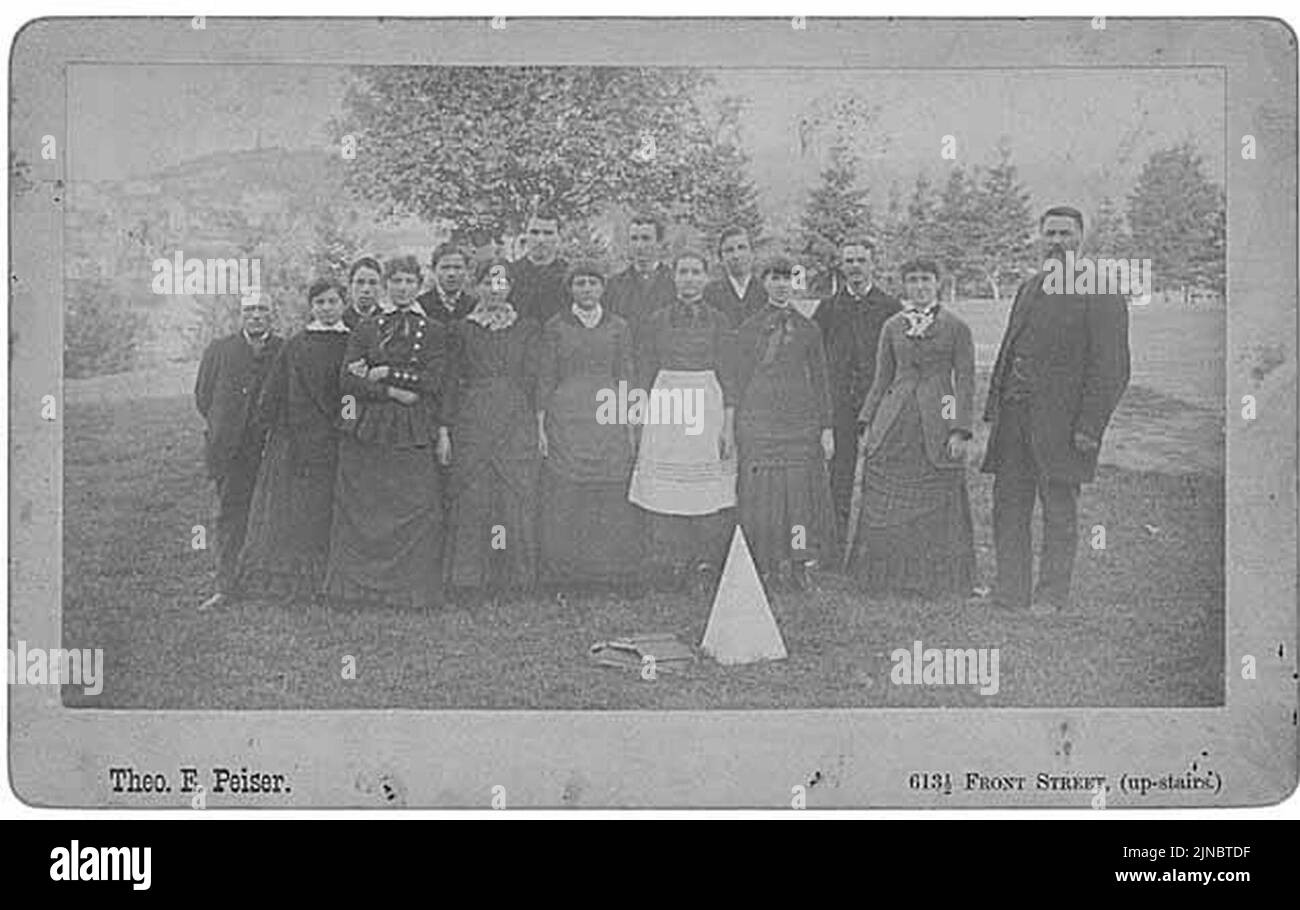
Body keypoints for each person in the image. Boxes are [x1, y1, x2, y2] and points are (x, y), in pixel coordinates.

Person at [982, 206, 1131, 615]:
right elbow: (1010, 349)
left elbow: (1113, 369)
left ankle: (1051, 597)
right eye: (1050, 234)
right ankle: (1010, 592)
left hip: (1064, 428)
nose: (1057, 241)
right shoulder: (1030, 287)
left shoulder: (1101, 292)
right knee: (1008, 505)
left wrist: (1090, 427)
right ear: (1040, 238)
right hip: (1014, 419)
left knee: (1058, 510)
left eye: (1066, 234)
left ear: (1081, 239)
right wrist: (995, 407)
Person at [323, 255, 454, 610]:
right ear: (387, 285)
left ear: (419, 285)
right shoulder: (367, 328)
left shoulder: (436, 330)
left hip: (413, 426)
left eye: (409, 281)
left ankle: (410, 591)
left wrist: (384, 371)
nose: (402, 288)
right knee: (367, 504)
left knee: (415, 502)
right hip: (370, 425)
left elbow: (436, 379)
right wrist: (391, 390)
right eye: (395, 281)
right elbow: (347, 380)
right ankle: (359, 591)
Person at [849, 259, 976, 599]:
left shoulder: (956, 327)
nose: (920, 286)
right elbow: (881, 379)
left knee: (938, 491)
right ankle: (886, 576)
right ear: (904, 286)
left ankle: (932, 577)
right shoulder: (892, 326)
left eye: (926, 280)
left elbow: (964, 382)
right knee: (886, 493)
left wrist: (959, 429)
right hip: (894, 418)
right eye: (913, 280)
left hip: (937, 415)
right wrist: (867, 423)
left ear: (938, 283)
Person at [629, 250, 737, 592]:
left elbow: (730, 374)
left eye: (696, 272)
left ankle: (702, 565)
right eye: (683, 272)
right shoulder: (657, 320)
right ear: (673, 277)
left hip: (707, 402)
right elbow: (643, 370)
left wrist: (728, 424)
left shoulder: (719, 321)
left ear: (706, 277)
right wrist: (638, 417)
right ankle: (669, 563)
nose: (689, 278)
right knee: (667, 486)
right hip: (667, 401)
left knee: (705, 488)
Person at [238, 278, 351, 604]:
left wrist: (346, 422)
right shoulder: (296, 344)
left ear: (342, 304)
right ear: (311, 306)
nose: (327, 308)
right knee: (294, 513)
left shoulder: (353, 342)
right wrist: (277, 433)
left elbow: (354, 395)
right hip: (295, 440)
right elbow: (273, 394)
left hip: (337, 439)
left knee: (327, 510)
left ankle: (331, 580)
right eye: (320, 302)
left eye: (333, 301)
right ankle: (295, 581)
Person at [536, 260, 644, 594]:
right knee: (568, 494)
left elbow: (627, 372)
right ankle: (566, 576)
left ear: (602, 288)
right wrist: (541, 424)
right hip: (566, 417)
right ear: (570, 288)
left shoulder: (618, 326)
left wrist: (631, 422)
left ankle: (611, 573)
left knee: (609, 492)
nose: (586, 289)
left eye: (592, 283)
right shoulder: (555, 326)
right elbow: (545, 376)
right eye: (580, 283)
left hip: (607, 417)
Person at [733, 255, 837, 591]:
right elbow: (738, 379)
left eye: (786, 278)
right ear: (764, 283)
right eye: (774, 278)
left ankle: (798, 562)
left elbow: (821, 379)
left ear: (795, 282)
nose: (780, 284)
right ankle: (765, 563)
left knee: (798, 500)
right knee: (763, 497)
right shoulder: (749, 327)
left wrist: (826, 427)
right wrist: (737, 423)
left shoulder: (809, 328)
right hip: (760, 420)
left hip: (799, 422)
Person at [446, 260, 541, 604]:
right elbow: (450, 383)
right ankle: (471, 579)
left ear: (510, 288)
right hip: (472, 420)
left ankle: (511, 578)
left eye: (501, 283)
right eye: (487, 282)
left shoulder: (527, 328)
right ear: (477, 287)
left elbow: (535, 380)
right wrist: (446, 428)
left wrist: (533, 420)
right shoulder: (462, 330)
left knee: (511, 498)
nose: (494, 289)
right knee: (475, 497)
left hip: (516, 419)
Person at [194, 292, 284, 610]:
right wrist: (226, 426)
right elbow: (204, 396)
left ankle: (265, 579)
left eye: (262, 309)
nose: (256, 315)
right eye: (250, 310)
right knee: (230, 514)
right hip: (230, 449)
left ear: (271, 315)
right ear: (240, 315)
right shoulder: (220, 350)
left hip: (271, 445)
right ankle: (226, 584)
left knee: (270, 513)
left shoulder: (284, 349)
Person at [812, 237, 902, 529]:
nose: (855, 267)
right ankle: (834, 547)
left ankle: (873, 546)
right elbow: (813, 358)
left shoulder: (890, 308)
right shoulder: (827, 309)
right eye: (849, 261)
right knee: (838, 474)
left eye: (861, 260)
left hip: (877, 405)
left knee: (879, 473)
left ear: (872, 264)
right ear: (841, 265)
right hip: (838, 405)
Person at [604, 212, 675, 338]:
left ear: (659, 242)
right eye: (634, 239)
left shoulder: (674, 282)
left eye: (646, 238)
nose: (639, 246)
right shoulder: (613, 285)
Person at [510, 209, 569, 325]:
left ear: (559, 237)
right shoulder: (505, 272)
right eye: (534, 232)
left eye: (548, 233)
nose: (540, 240)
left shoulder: (571, 274)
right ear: (525, 235)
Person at [703, 225, 766, 328]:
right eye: (729, 250)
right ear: (721, 258)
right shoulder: (709, 293)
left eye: (742, 248)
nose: (736, 256)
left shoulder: (766, 291)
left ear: (753, 253)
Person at [416, 242, 477, 327]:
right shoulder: (420, 305)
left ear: (466, 270)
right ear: (434, 270)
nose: (451, 274)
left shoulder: (474, 305)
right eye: (445, 267)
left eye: (457, 267)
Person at [342, 256, 382, 330]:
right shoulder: (340, 321)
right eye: (360, 282)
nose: (366, 289)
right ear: (350, 286)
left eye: (372, 283)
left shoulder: (389, 322)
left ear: (380, 287)